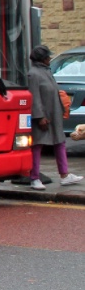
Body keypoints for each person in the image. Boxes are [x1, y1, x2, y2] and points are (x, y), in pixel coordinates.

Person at [27, 45, 83, 190]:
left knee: (60, 143)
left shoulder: (46, 71)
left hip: (54, 113)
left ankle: (64, 175)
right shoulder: (34, 74)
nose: (50, 58)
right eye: (47, 56)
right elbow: (34, 97)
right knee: (37, 145)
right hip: (43, 116)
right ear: (42, 59)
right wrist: (39, 117)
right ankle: (34, 178)